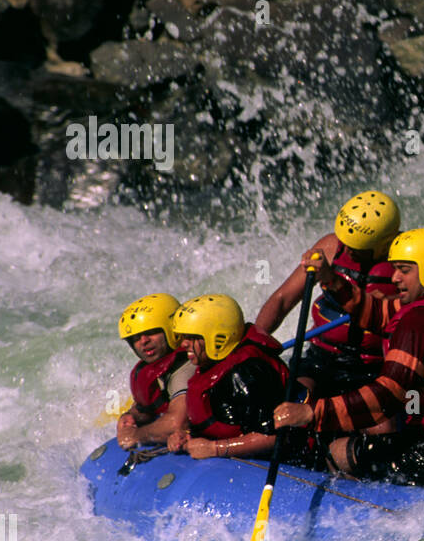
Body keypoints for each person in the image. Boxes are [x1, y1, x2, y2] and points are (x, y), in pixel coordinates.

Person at [274, 228, 424, 485]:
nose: (394, 277)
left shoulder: (419, 323)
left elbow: (385, 398)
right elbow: (379, 312)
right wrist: (331, 280)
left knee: (338, 451)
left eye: (404, 269)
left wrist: (311, 413)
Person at [255, 191, 400, 401]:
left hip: (373, 367)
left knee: (379, 431)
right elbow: (282, 299)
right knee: (297, 399)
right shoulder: (331, 247)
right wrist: (256, 345)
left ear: (384, 243)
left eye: (357, 246)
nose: (348, 249)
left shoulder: (404, 264)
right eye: (346, 241)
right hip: (321, 359)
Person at [166, 294, 296, 461]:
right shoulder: (211, 366)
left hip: (289, 459)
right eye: (183, 337)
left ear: (218, 337)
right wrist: (186, 435)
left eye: (192, 337)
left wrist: (215, 448)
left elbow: (275, 436)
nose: (183, 344)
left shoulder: (246, 374)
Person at [115, 293, 193, 450]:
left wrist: (136, 435)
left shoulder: (187, 365)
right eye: (136, 338)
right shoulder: (157, 368)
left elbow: (177, 423)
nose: (143, 341)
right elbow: (152, 405)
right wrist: (131, 416)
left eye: (151, 332)